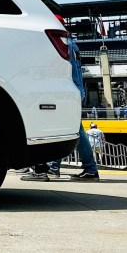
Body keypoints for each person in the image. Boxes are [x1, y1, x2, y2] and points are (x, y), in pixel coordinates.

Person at [22, 35, 100, 181]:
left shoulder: (60, 43)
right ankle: (85, 169)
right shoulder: (72, 44)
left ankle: (53, 168)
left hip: (65, 90)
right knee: (72, 129)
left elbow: (55, 68)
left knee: (60, 128)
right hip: (74, 89)